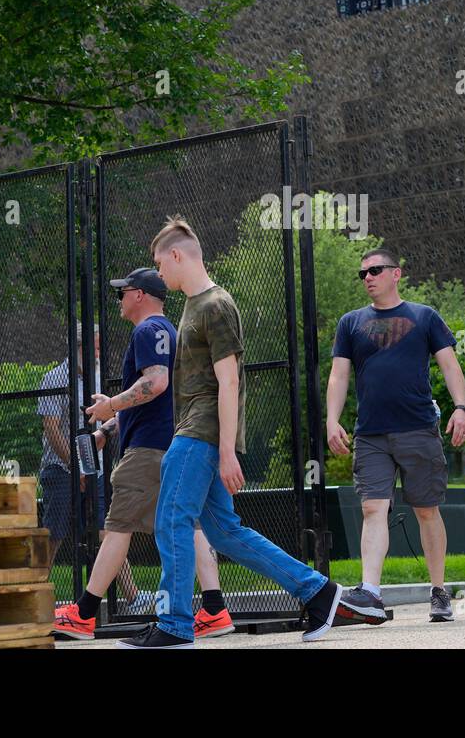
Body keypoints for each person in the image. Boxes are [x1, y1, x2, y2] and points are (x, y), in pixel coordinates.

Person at [117, 216, 342, 649]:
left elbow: (231, 381)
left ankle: (175, 624)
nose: (158, 274)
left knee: (171, 519)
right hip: (195, 430)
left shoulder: (216, 305)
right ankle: (318, 591)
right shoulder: (193, 305)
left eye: (159, 264)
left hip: (200, 433)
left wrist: (226, 451)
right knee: (224, 532)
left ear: (178, 255)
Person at [52, 267, 232, 640]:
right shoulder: (173, 333)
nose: (119, 300)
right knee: (190, 524)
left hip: (149, 449)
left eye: (123, 293)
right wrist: (108, 429)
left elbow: (155, 384)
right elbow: (160, 400)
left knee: (117, 526)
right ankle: (215, 609)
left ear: (139, 295)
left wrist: (110, 406)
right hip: (177, 443)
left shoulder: (148, 330)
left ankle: (83, 614)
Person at [326, 248, 465, 624]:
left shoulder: (424, 316)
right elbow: (339, 375)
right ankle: (371, 593)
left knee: (426, 510)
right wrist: (332, 420)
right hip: (371, 433)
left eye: (375, 270)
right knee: (373, 507)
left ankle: (438, 591)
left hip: (418, 428)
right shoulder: (350, 322)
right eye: (363, 274)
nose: (368, 278)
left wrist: (461, 407)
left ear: (396, 274)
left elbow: (449, 364)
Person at [38, 330, 103, 571]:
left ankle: (131, 595)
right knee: (55, 532)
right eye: (94, 349)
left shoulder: (97, 379)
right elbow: (51, 429)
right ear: (79, 348)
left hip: (94, 465)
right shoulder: (55, 379)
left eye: (99, 349)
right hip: (61, 466)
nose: (98, 354)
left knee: (106, 530)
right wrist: (76, 465)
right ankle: (36, 590)